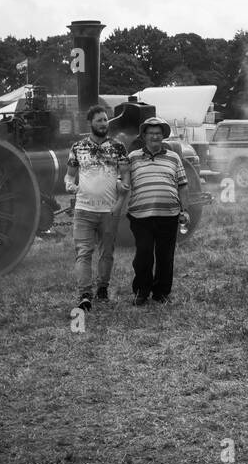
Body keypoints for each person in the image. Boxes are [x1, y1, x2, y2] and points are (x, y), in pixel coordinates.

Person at [65, 105, 128, 313]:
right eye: (99, 120)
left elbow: (125, 176)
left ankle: (102, 288)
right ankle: (85, 294)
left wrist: (120, 200)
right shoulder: (78, 147)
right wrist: (69, 184)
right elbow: (69, 174)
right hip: (83, 210)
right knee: (83, 252)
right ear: (90, 123)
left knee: (107, 252)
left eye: (106, 120)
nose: (104, 123)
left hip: (109, 211)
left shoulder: (118, 147)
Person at [123, 117, 188, 306]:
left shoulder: (173, 158)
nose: (155, 137)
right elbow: (124, 183)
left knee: (165, 256)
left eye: (158, 133)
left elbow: (183, 185)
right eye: (151, 133)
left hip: (169, 215)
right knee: (143, 254)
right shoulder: (133, 157)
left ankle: (161, 293)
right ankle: (141, 291)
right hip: (140, 216)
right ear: (144, 136)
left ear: (163, 136)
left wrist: (185, 210)